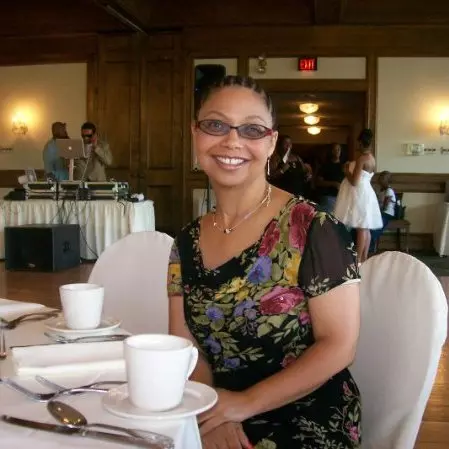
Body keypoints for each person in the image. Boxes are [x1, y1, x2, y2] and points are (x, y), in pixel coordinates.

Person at [167, 75, 361, 449]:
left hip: (305, 412)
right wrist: (212, 411)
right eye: (215, 124)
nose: (232, 140)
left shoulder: (314, 228)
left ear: (271, 142)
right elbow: (186, 346)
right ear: (196, 134)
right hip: (214, 407)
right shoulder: (184, 242)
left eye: (252, 129)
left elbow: (339, 344)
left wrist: (242, 405)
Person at [334, 129, 383, 263]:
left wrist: (346, 171)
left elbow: (354, 181)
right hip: (367, 191)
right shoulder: (372, 158)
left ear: (361, 143)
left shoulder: (362, 158)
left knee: (361, 227)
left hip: (360, 193)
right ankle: (364, 257)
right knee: (365, 228)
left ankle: (358, 259)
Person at [370, 171, 397, 252]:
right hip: (381, 213)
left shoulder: (389, 190)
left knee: (376, 227)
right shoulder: (381, 190)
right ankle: (371, 244)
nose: (380, 180)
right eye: (380, 178)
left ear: (387, 180)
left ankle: (371, 246)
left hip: (387, 214)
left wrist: (377, 212)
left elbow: (385, 206)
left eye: (382, 178)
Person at [316, 143, 345, 213]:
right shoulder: (325, 165)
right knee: (328, 221)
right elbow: (318, 182)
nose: (337, 151)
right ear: (332, 151)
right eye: (335, 149)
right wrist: (333, 183)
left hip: (342, 198)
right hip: (328, 197)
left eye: (339, 149)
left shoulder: (344, 166)